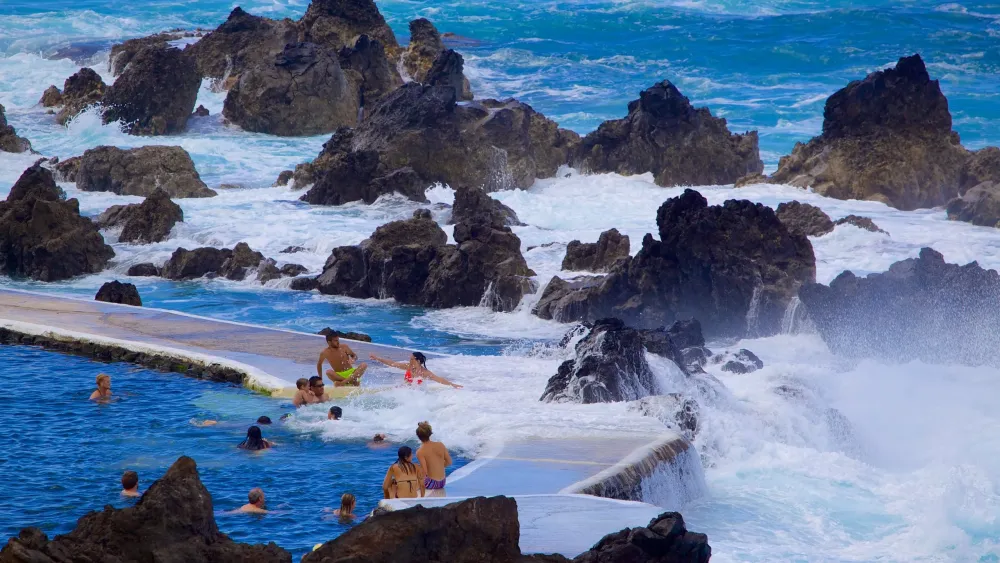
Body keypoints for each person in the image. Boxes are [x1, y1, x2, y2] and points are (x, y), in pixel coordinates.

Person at [369, 352, 462, 389]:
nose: (410, 360)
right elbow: (392, 363)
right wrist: (378, 358)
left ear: (418, 361)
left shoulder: (425, 373)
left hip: (414, 394)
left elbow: (439, 379)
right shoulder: (408, 366)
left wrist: (453, 385)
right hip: (403, 390)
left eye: (412, 359)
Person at [415, 421, 452, 497]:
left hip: (431, 484)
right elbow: (449, 462)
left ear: (418, 436)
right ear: (430, 433)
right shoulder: (440, 445)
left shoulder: (420, 451)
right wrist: (437, 467)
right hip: (442, 482)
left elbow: (424, 472)